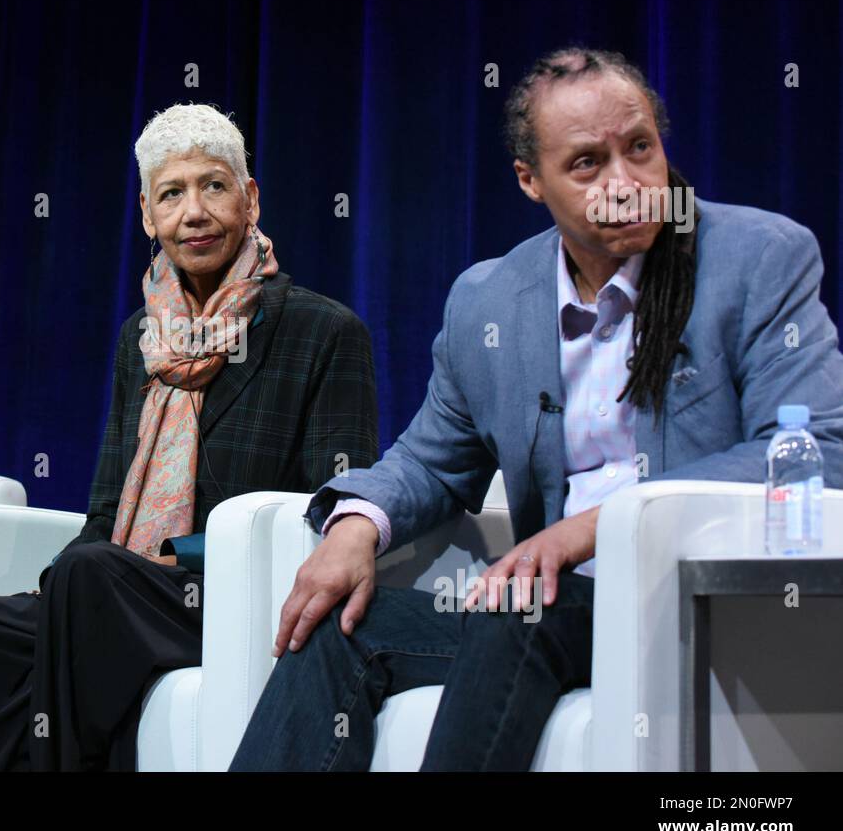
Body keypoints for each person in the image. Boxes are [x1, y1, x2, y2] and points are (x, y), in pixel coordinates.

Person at [230, 48, 843, 771]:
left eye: (639, 147)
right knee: (340, 628)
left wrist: (591, 530)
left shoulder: (756, 258)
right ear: (531, 181)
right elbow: (434, 456)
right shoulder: (492, 299)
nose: (626, 185)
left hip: (690, 607)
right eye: (587, 164)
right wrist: (357, 526)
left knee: (515, 606)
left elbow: (818, 448)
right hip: (550, 617)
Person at [0, 104, 380, 770]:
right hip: (115, 592)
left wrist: (176, 556)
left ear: (251, 198)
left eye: (214, 186)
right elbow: (104, 512)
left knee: (91, 575)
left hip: (234, 592)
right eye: (171, 195)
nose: (195, 213)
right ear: (149, 217)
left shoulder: (322, 330)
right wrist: (55, 583)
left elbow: (324, 508)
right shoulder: (141, 339)